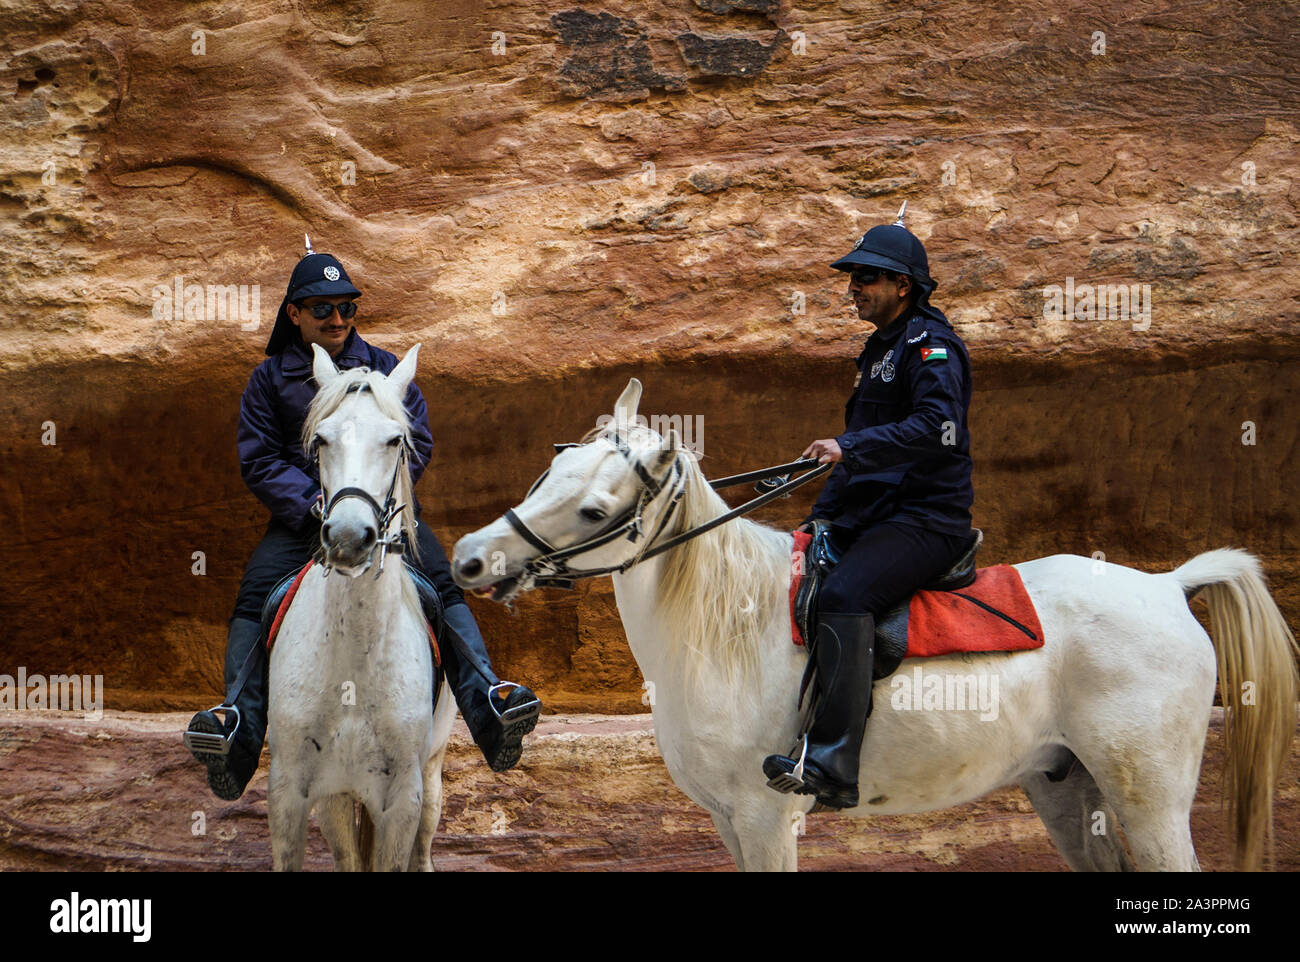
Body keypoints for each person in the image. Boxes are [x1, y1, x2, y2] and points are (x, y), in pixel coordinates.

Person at [185, 239, 541, 801]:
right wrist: (315, 504)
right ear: (294, 314)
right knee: (255, 596)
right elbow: (259, 458)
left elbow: (415, 442)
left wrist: (370, 503)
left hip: (384, 517)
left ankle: (489, 707)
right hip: (303, 520)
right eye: (322, 308)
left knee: (444, 589)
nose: (337, 318)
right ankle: (237, 730)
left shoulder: (385, 370)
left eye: (347, 306)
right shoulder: (268, 380)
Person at [762, 204, 975, 809]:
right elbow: (858, 460)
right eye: (852, 277)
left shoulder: (933, 347)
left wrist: (846, 444)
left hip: (924, 519)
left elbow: (939, 427)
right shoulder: (879, 349)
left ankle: (831, 760)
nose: (852, 289)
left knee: (844, 596)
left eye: (866, 278)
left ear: (902, 286)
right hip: (874, 516)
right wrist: (820, 516)